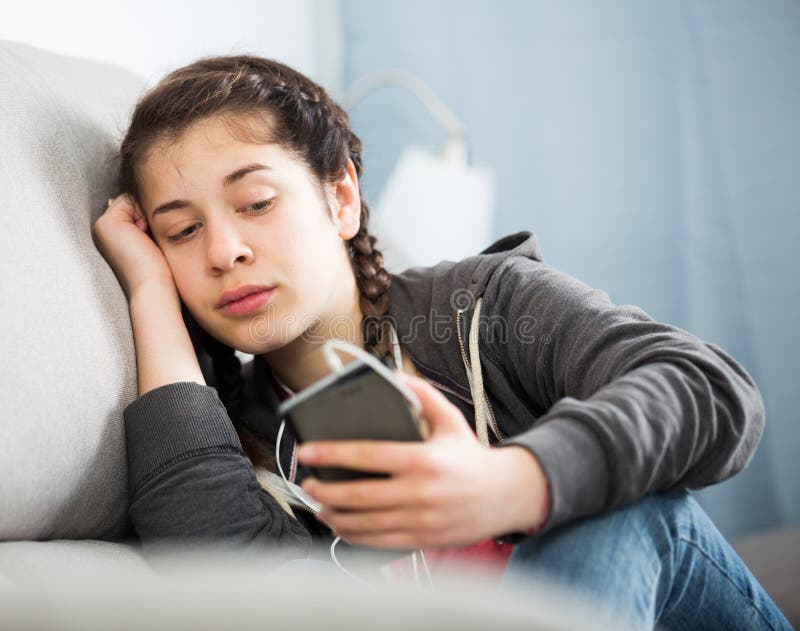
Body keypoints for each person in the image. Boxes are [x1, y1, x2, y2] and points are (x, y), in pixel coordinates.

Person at [91, 55, 791, 630]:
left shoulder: (485, 307)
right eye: (181, 231)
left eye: (256, 203)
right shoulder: (241, 431)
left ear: (341, 199)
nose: (223, 250)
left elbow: (708, 386)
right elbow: (220, 585)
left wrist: (511, 484)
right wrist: (150, 292)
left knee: (619, 510)